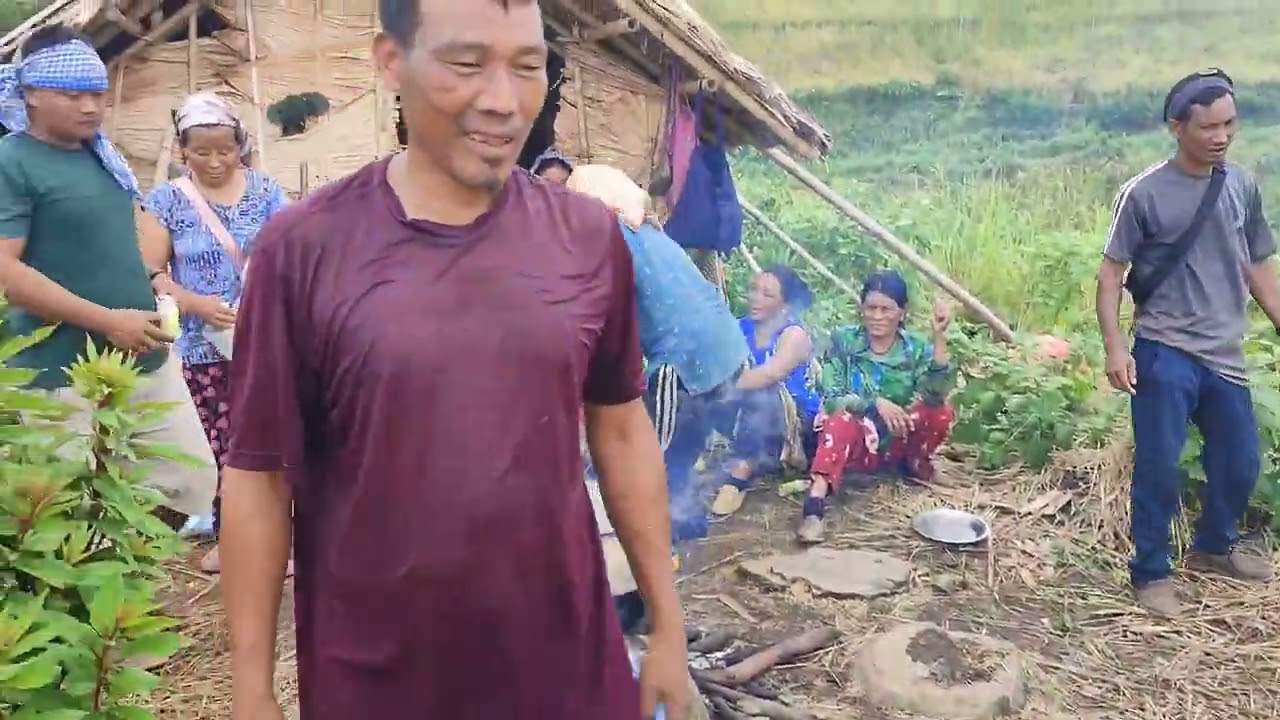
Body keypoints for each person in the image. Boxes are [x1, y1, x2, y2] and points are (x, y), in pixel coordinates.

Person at [218, 3, 689, 720]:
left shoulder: (587, 239)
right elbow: (256, 476)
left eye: (528, 67)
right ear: (389, 62)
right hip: (379, 677)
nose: (503, 102)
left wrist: (667, 624)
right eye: (466, 65)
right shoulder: (304, 251)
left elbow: (621, 431)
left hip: (563, 665)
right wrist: (251, 692)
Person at [0, 25, 215, 520]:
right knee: (67, 510)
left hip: (142, 358)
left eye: (97, 94)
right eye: (72, 95)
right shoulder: (13, 163)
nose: (90, 107)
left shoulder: (103, 156)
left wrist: (152, 280)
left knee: (187, 480)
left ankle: (137, 580)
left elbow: (123, 231)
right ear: (30, 93)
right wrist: (106, 319)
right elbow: (6, 271)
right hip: (61, 372)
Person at [1096, 69, 1277, 617]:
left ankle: (1213, 547)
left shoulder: (1241, 185)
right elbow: (1111, 274)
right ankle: (1151, 572)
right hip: (1164, 347)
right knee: (1160, 463)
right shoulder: (1144, 192)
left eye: (1229, 124)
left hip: (1224, 352)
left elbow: (1258, 265)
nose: (1221, 136)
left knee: (1242, 459)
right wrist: (1114, 348)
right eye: (1208, 127)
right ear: (1178, 128)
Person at [139, 92, 290, 574]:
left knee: (274, 440)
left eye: (224, 149)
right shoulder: (166, 201)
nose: (214, 161)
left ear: (240, 145)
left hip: (265, 341)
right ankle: (231, 541)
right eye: (201, 151)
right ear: (183, 151)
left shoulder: (267, 192)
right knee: (219, 444)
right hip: (203, 350)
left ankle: (283, 543)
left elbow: (294, 253)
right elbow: (151, 272)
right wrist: (194, 302)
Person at [566, 164, 749, 545]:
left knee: (651, 451)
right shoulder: (650, 234)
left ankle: (650, 535)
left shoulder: (607, 238)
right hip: (725, 348)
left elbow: (599, 311)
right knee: (680, 448)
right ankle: (685, 521)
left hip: (682, 359)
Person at [798, 270, 955, 544]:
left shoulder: (914, 349)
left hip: (896, 438)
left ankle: (915, 463)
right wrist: (874, 404)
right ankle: (814, 507)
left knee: (941, 412)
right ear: (861, 309)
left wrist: (939, 338)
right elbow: (831, 395)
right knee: (838, 420)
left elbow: (934, 396)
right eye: (871, 308)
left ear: (902, 313)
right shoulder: (844, 341)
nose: (877, 316)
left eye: (886, 309)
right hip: (856, 443)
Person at [711, 266, 821, 516]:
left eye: (767, 294)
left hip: (795, 426)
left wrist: (717, 387)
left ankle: (739, 477)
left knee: (765, 392)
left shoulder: (793, 334)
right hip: (751, 417)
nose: (755, 298)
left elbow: (770, 374)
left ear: (785, 305)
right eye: (754, 290)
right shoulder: (742, 328)